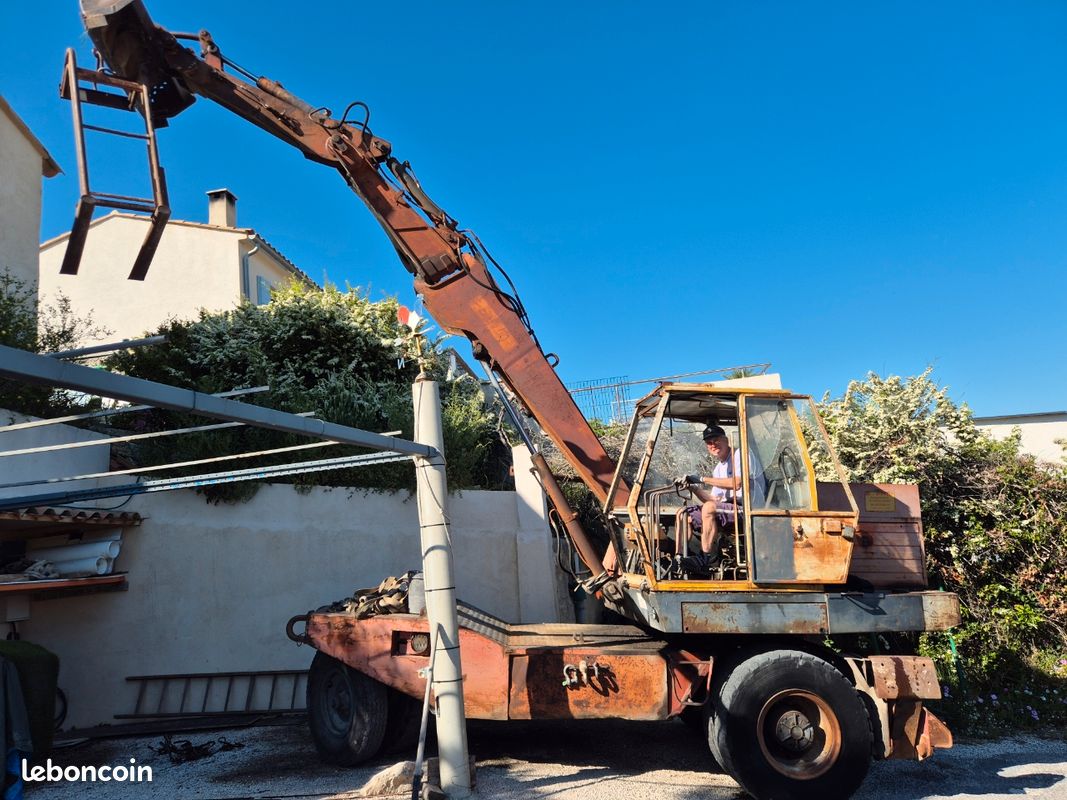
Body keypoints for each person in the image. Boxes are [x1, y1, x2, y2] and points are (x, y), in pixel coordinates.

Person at [678, 424, 765, 570]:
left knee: (709, 508)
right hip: (729, 508)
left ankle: (705, 559)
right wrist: (692, 487)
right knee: (683, 514)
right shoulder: (718, 468)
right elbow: (714, 500)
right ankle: (679, 559)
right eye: (709, 443)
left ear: (726, 439)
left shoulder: (741, 455)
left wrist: (702, 479)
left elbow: (737, 483)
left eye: (716, 440)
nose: (713, 445)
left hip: (749, 509)